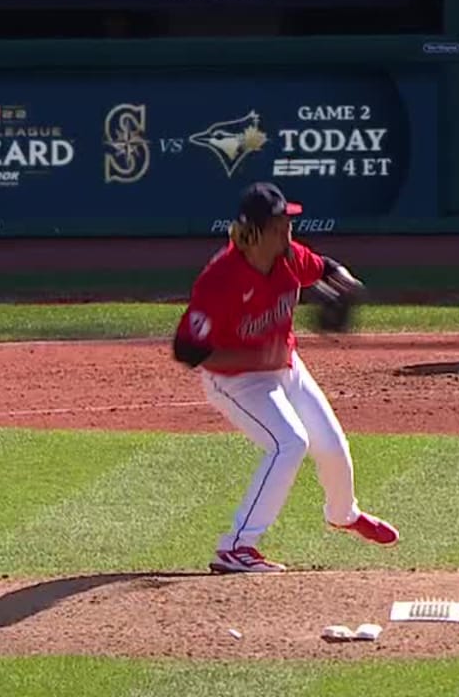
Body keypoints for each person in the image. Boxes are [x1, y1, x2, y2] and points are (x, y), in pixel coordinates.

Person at [171, 181, 400, 574]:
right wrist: (255, 356)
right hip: (237, 380)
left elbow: (326, 267)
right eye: (279, 226)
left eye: (287, 224)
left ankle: (343, 514)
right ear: (254, 232)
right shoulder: (220, 279)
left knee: (331, 444)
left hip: (287, 368)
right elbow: (187, 351)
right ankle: (236, 546)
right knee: (289, 442)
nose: (287, 232)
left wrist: (347, 283)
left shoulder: (288, 257)